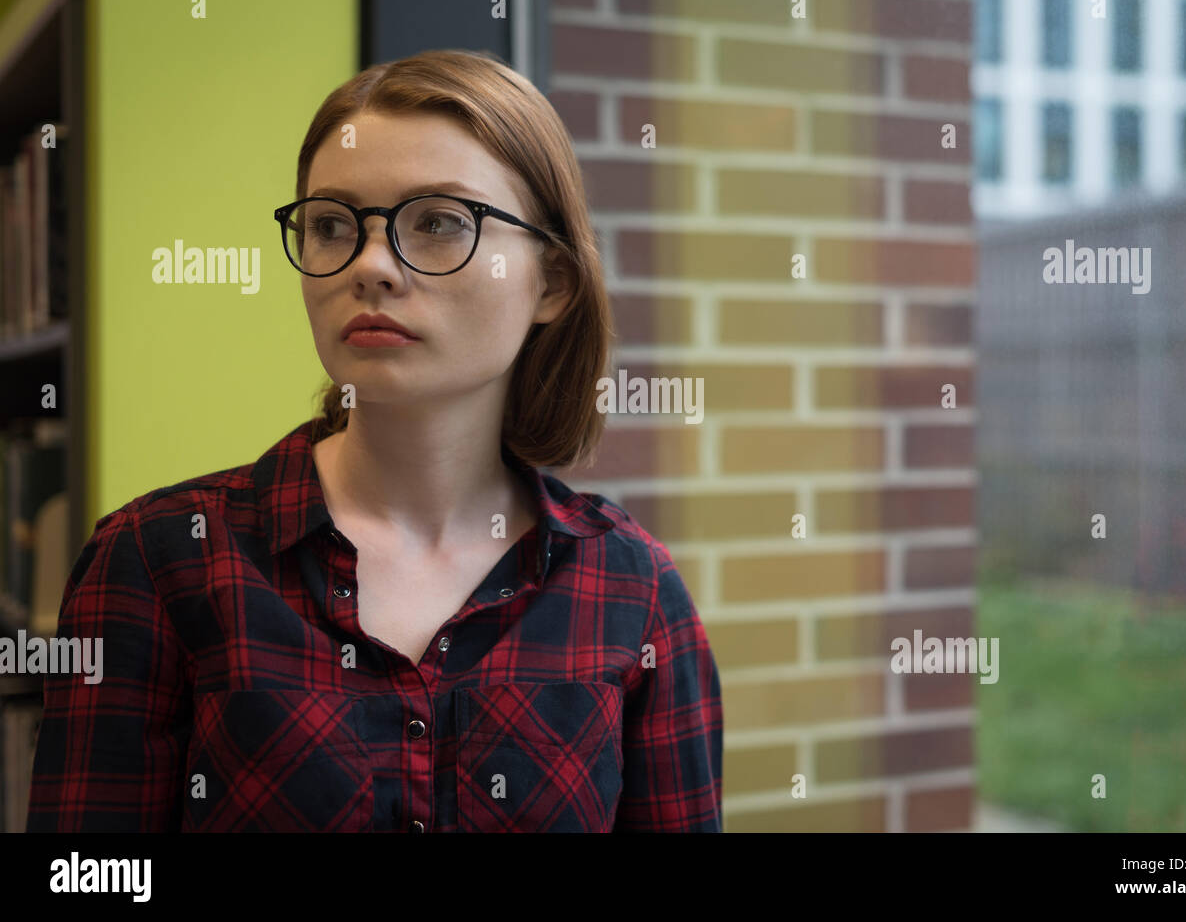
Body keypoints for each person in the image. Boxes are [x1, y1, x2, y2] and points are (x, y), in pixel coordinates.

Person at [25, 49, 723, 832]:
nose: (372, 266)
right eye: (332, 225)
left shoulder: (629, 589)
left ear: (552, 282)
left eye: (440, 223)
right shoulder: (160, 560)